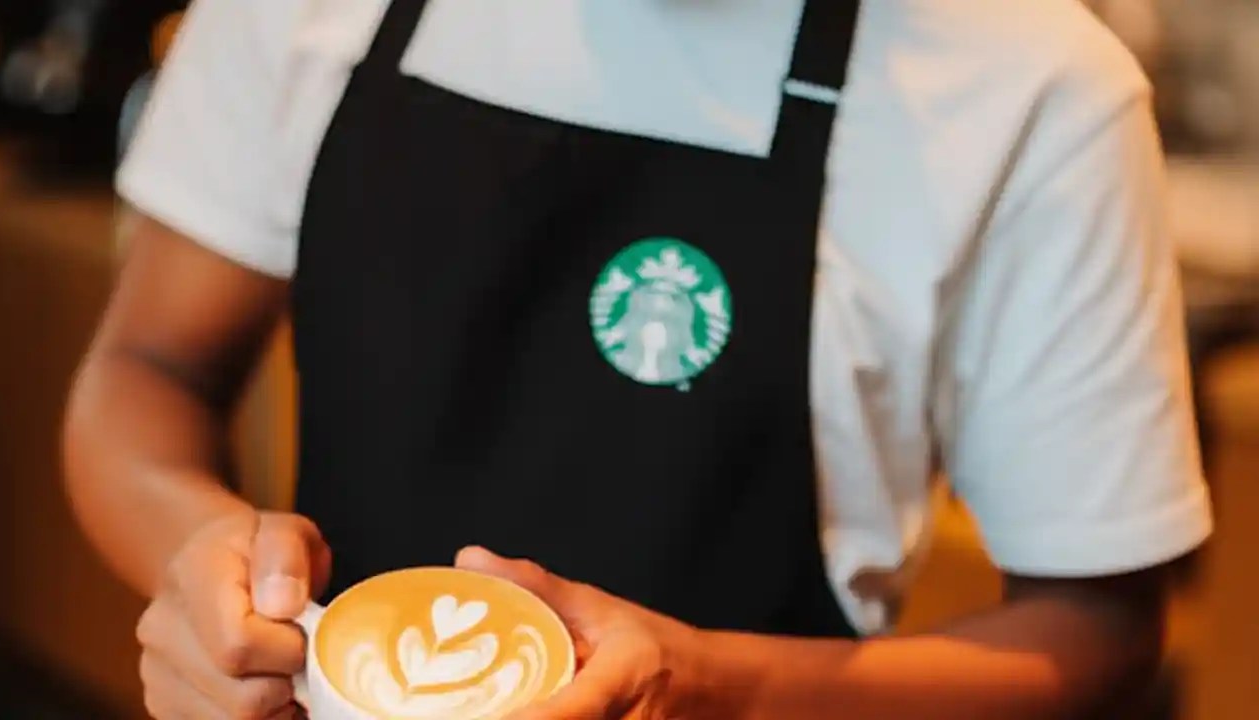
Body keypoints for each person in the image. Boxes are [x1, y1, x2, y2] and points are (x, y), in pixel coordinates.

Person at [63, 0, 1213, 717]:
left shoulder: (1032, 86)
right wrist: (217, 590)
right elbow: (146, 373)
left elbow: (1097, 629)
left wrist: (718, 689)